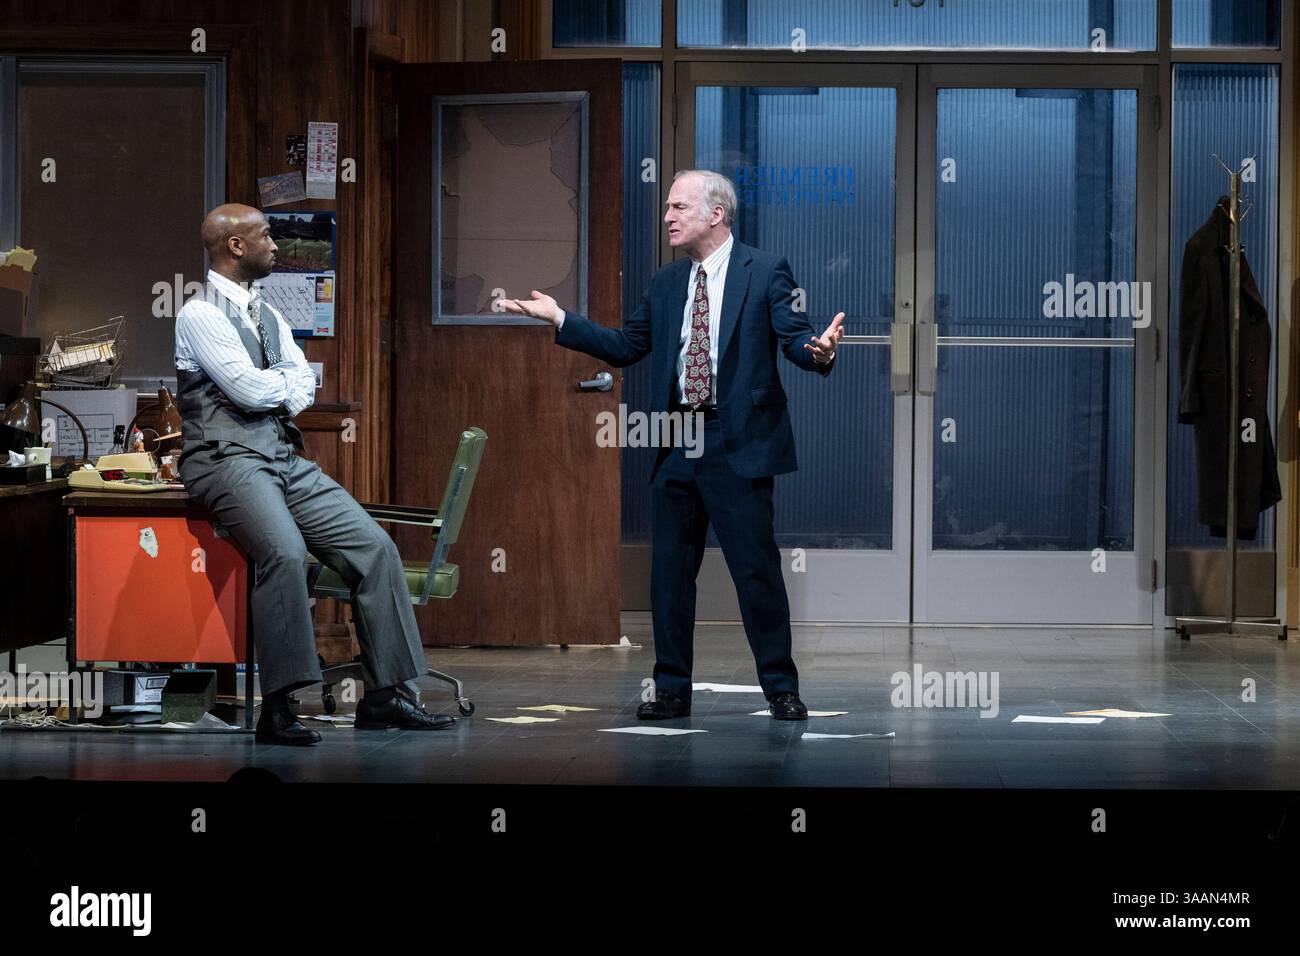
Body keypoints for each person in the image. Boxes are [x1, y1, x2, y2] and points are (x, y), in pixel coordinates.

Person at [501, 170, 844, 720]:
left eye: (679, 207)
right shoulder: (665, 283)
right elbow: (624, 346)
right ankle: (670, 689)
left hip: (738, 444)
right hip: (676, 439)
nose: (668, 217)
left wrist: (820, 351)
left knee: (755, 572)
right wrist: (560, 319)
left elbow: (795, 338)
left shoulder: (765, 271)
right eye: (667, 208)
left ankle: (781, 687)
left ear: (716, 213)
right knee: (669, 575)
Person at [175, 203, 455, 744]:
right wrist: (283, 385)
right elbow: (248, 390)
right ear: (235, 246)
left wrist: (283, 384)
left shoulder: (265, 310)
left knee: (375, 548)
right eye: (265, 235)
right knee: (282, 551)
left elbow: (303, 380)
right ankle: (279, 708)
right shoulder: (200, 314)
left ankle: (385, 695)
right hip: (223, 458)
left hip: (279, 455)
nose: (275, 243)